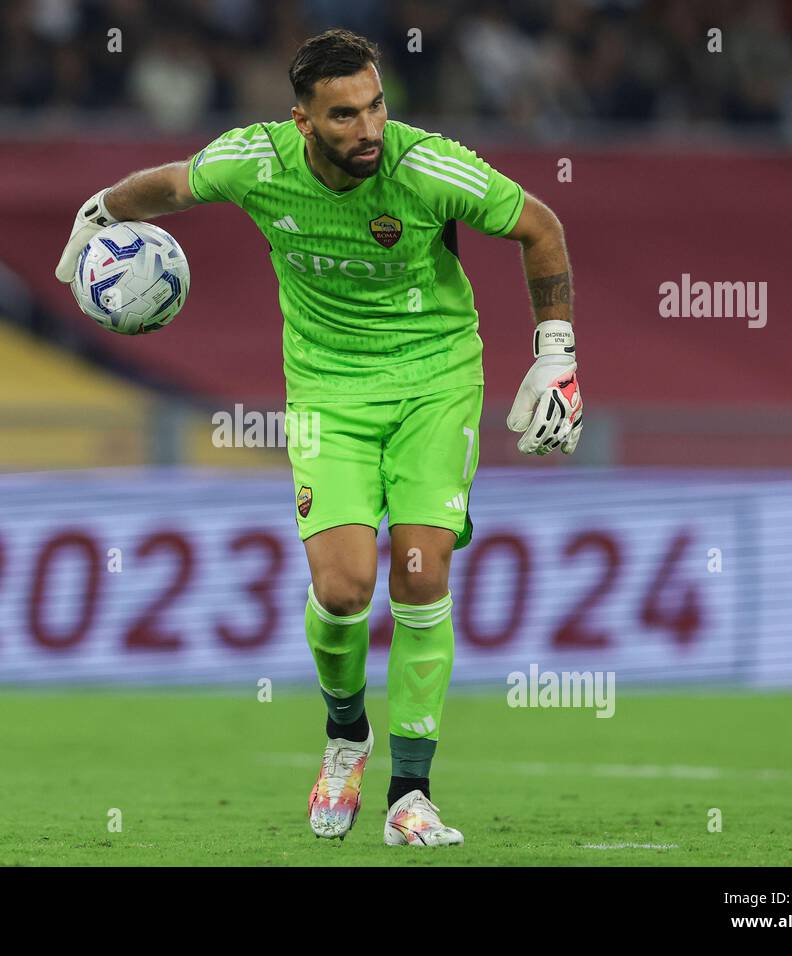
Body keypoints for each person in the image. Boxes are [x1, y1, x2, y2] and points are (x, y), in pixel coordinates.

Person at [55, 28, 583, 847]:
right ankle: (347, 737)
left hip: (435, 381)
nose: (368, 130)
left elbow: (540, 225)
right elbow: (165, 188)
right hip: (327, 394)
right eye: (344, 116)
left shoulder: (427, 167)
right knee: (343, 590)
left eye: (375, 106)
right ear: (303, 121)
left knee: (420, 568)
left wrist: (557, 356)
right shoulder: (255, 163)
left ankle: (412, 795)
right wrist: (96, 216)